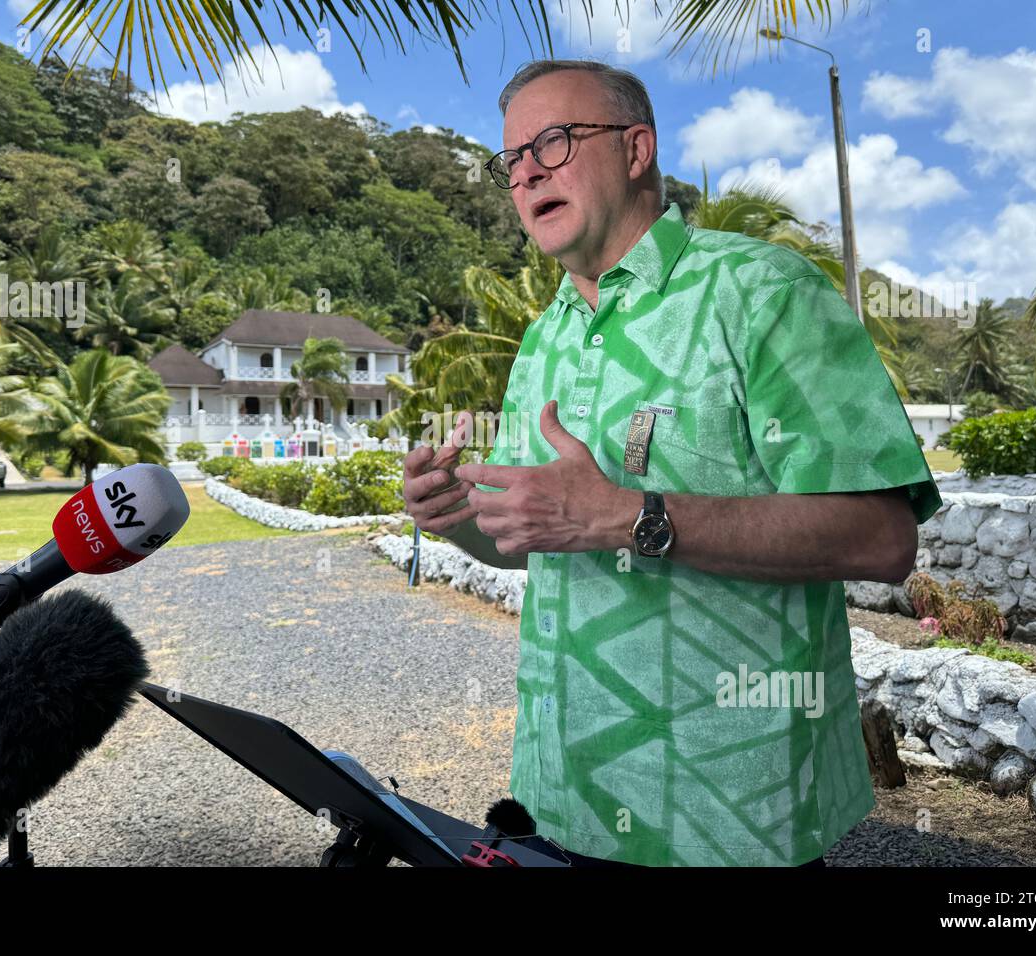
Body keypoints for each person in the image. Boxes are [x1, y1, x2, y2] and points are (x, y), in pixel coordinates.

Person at [402, 58, 941, 867]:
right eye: (510, 161)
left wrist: (624, 515)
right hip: (562, 796)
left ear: (636, 148)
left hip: (732, 818)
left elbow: (880, 537)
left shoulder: (762, 290)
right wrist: (460, 520)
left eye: (553, 142)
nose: (526, 174)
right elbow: (527, 540)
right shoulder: (544, 335)